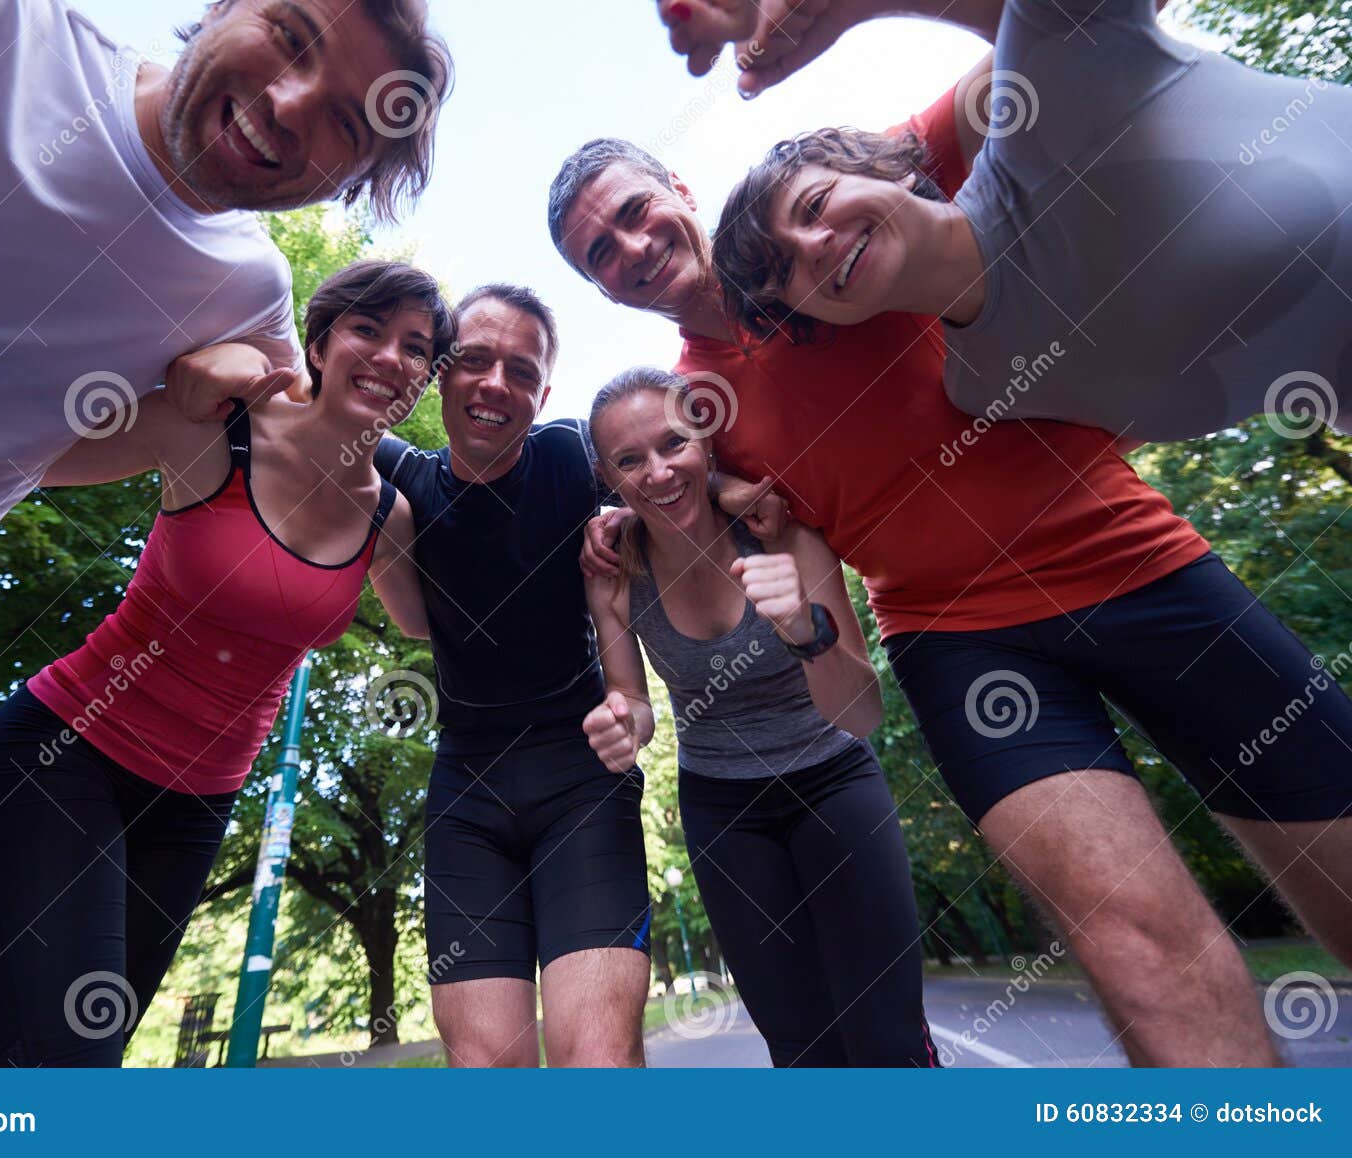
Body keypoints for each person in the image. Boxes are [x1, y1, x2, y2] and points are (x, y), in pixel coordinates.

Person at [549, 69, 1352, 1065]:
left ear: (674, 185)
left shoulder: (825, 203)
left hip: (1128, 556)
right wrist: (612, 534)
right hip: (960, 644)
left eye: (633, 213)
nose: (630, 248)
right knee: (1139, 950)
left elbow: (1050, 57)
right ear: (596, 287)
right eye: (598, 253)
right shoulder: (691, 416)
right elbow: (685, 503)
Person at [0, 0, 449, 1062]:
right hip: (60, 751)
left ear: (351, 182)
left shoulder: (245, 286)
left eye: (352, 123)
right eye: (292, 34)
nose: (291, 102)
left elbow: (419, 588)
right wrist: (208, 399)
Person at [0, 261, 448, 1066]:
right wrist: (190, 356)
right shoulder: (215, 426)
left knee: (86, 1060)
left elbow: (436, 624)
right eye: (369, 329)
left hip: (194, 810)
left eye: (416, 348)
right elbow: (26, 449)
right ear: (317, 343)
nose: (391, 358)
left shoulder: (389, 513)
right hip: (59, 763)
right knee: (41, 1069)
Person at [367, 284, 780, 1067]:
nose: (496, 384)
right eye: (474, 360)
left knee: (595, 1058)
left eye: (521, 371)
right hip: (466, 789)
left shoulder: (565, 457)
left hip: (581, 779)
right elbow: (301, 408)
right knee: (487, 1067)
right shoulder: (406, 480)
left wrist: (727, 489)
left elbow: (665, 475)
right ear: (436, 375)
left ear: (542, 393)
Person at [695, 0, 1352, 442]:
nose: (814, 246)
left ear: (883, 166)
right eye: (785, 271)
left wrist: (849, 6)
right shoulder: (983, 389)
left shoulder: (1047, 110)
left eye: (813, 207)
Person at [583, 366, 939, 1068]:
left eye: (673, 444)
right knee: (801, 1047)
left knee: (886, 1038)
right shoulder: (616, 570)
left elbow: (862, 712)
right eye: (630, 460)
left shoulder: (781, 530)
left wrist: (806, 632)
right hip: (723, 808)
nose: (658, 472)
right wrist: (625, 726)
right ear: (608, 477)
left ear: (706, 445)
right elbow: (637, 702)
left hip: (834, 782)